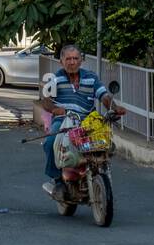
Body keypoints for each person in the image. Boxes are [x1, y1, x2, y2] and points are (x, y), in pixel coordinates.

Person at [36, 44, 123, 199]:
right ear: (61, 61)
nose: (72, 62)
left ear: (81, 60)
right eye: (68, 59)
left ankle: (98, 172)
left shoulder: (91, 78)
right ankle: (57, 180)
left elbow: (103, 96)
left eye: (75, 58)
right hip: (63, 121)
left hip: (87, 121)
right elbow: (46, 101)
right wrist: (57, 110)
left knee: (105, 144)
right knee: (50, 142)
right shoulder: (55, 79)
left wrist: (114, 107)